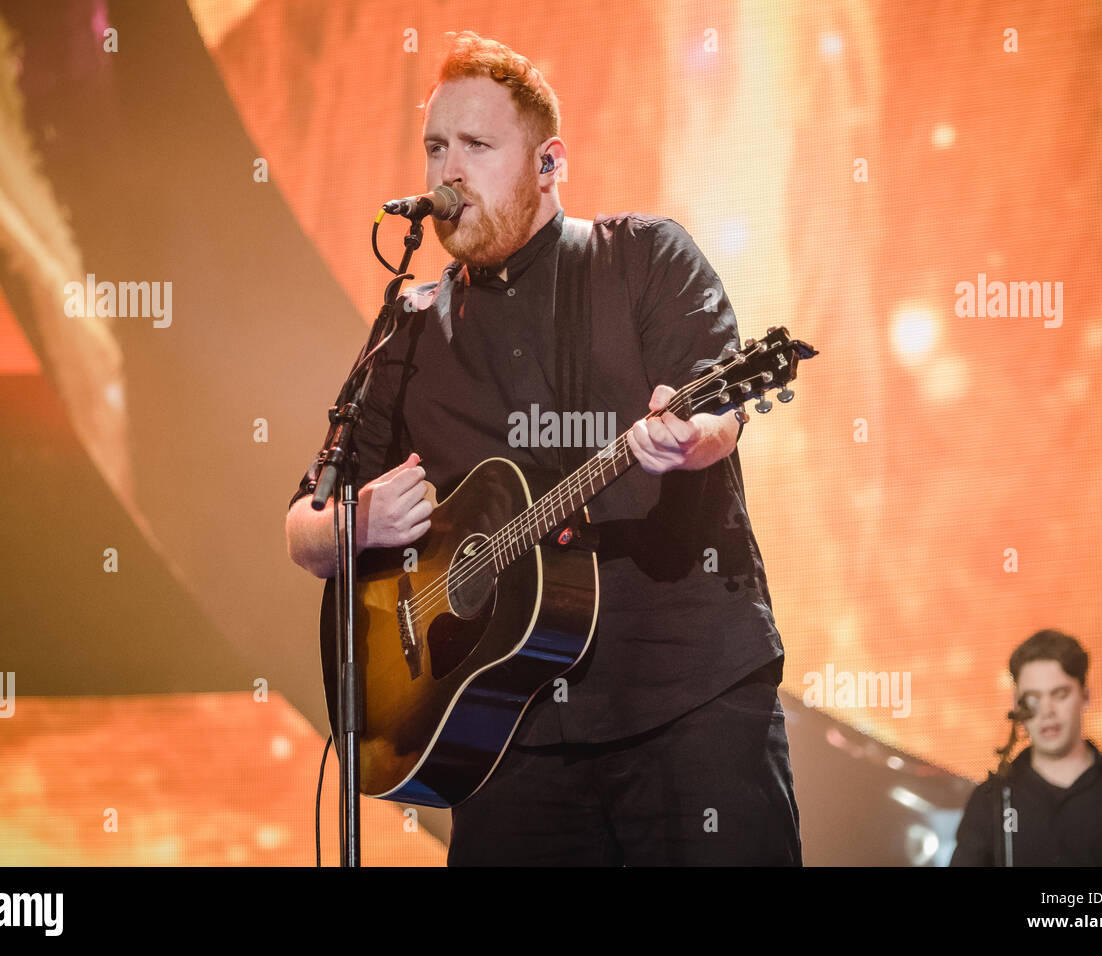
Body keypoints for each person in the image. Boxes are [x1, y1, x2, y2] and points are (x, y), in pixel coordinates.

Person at [286, 31, 800, 866]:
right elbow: (302, 529)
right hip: (502, 732)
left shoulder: (642, 258)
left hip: (685, 701)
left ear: (548, 162)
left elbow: (719, 412)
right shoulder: (408, 329)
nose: (449, 170)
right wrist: (361, 520)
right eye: (436, 147)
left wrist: (690, 436)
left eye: (478, 146)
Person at [951, 629, 1102, 866]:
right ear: (1016, 705)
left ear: (1085, 696)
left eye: (1060, 694)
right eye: (1033, 698)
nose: (1047, 712)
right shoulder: (990, 799)